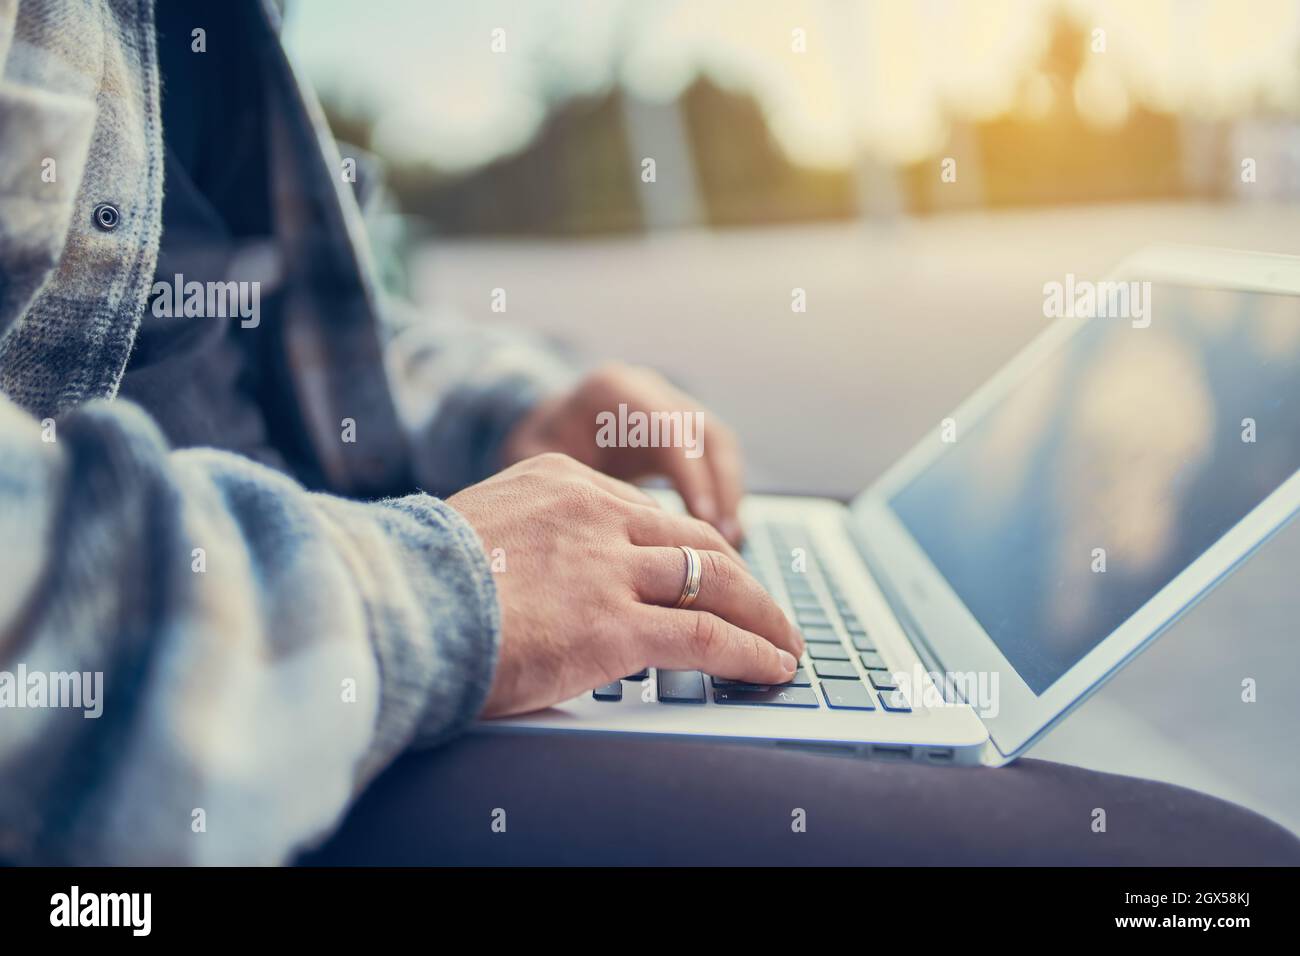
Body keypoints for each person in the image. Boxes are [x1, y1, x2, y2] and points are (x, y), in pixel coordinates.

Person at [0, 0, 1294, 866]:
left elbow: (290, 318)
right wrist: (455, 588)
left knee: (762, 543)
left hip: (329, 584)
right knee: (1205, 867)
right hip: (234, 714)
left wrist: (511, 409)